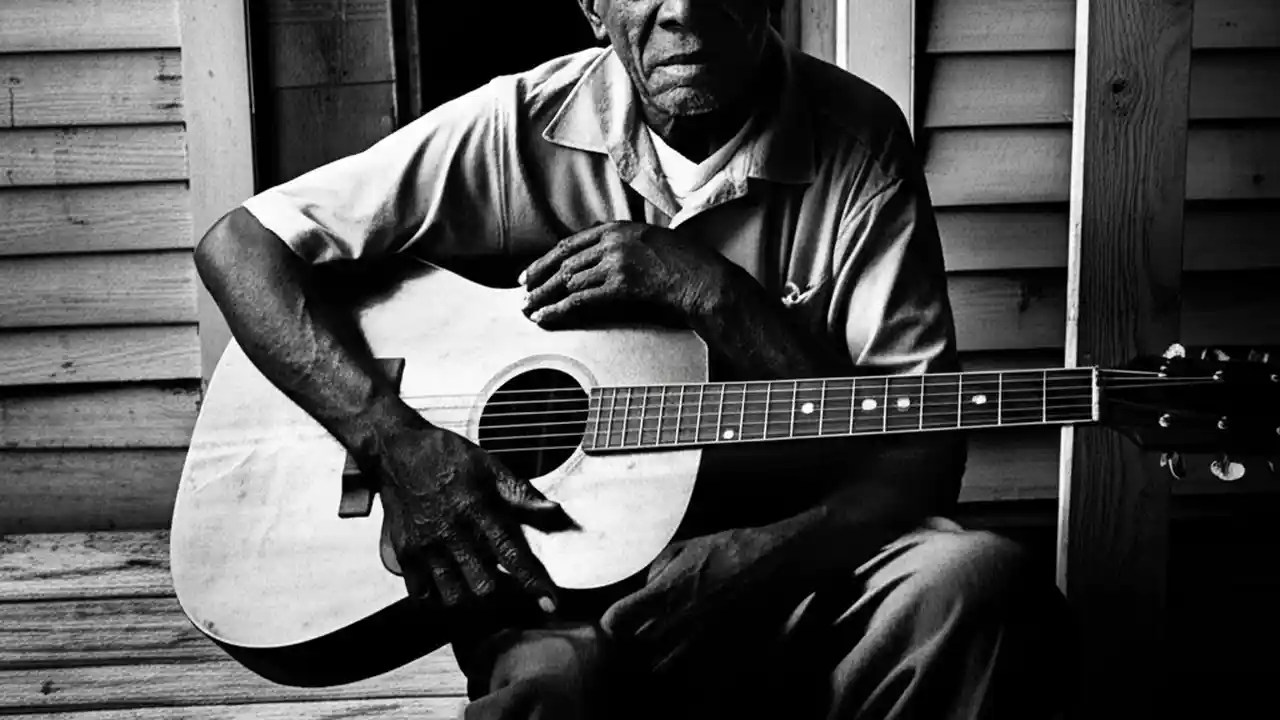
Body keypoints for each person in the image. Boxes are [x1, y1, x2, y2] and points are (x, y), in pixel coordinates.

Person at [194, 1, 1072, 717]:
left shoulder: (860, 141)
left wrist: (713, 295)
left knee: (979, 580)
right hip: (562, 595)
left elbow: (921, 450)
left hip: (802, 565)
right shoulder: (513, 127)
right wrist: (393, 442)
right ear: (592, 8)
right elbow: (240, 248)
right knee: (552, 703)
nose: (681, 12)